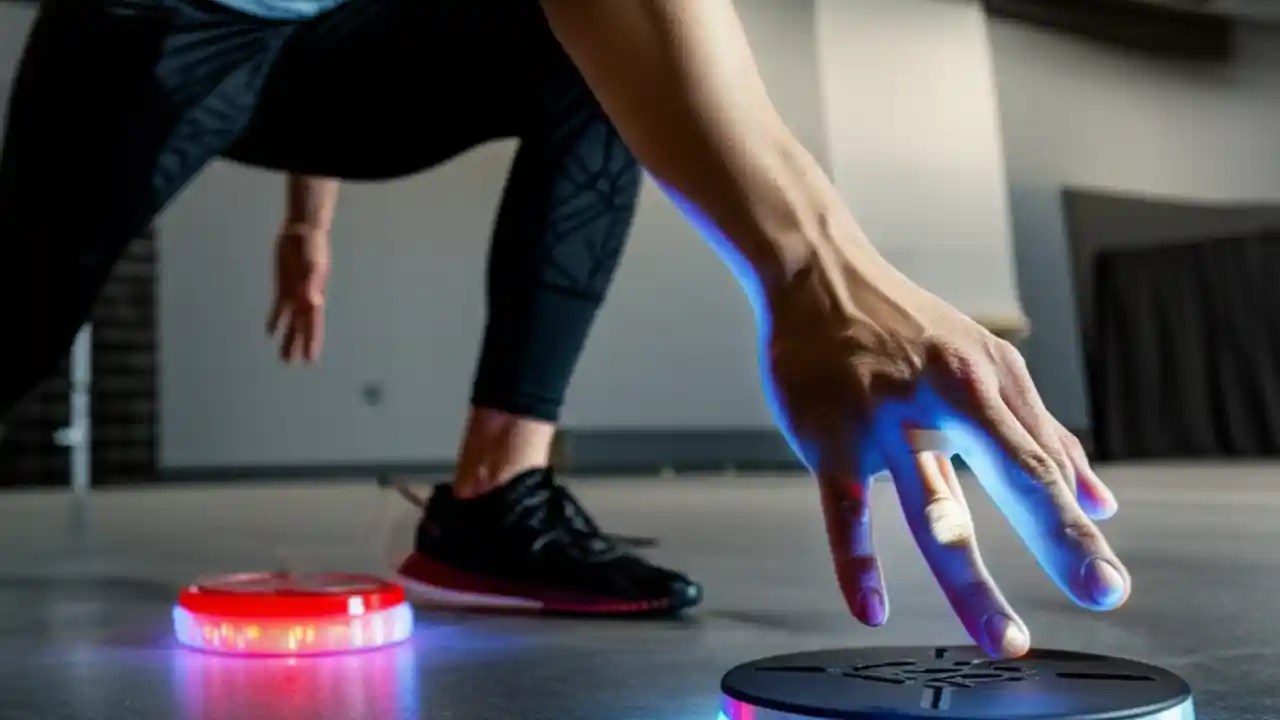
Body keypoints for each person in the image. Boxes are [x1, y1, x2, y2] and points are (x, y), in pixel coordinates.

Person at [0, 0, 1130, 658]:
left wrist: (309, 218)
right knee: (26, 324)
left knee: (574, 55)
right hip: (140, 29)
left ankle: (495, 498)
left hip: (319, 42)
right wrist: (818, 267)